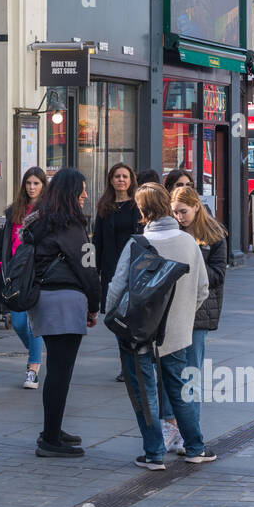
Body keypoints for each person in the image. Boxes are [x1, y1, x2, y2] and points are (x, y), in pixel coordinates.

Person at [106, 182, 213, 471]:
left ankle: (154, 453)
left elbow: (117, 289)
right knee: (180, 390)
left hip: (138, 331)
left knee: (145, 391)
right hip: (176, 333)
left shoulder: (136, 244)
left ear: (142, 210)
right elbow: (203, 288)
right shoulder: (188, 242)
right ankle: (195, 448)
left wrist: (110, 315)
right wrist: (182, 316)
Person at [21, 168, 101, 458]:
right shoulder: (73, 227)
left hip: (43, 301)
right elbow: (88, 270)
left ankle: (52, 429)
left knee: (56, 368)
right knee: (60, 373)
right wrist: (95, 305)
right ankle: (50, 439)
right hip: (67, 302)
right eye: (82, 189)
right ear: (70, 192)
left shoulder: (41, 220)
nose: (86, 195)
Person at [170, 186, 228, 451]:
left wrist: (192, 265)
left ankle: (189, 433)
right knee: (171, 373)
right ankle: (171, 428)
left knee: (191, 373)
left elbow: (218, 275)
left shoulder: (215, 234)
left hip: (198, 312)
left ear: (196, 207)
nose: (179, 217)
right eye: (175, 212)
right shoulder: (172, 232)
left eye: (183, 212)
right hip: (171, 310)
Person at [0, 166, 47, 388]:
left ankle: (33, 370)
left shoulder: (48, 212)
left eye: (36, 183)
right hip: (16, 272)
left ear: (43, 186)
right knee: (18, 323)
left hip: (37, 271)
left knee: (35, 322)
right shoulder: (13, 211)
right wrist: (4, 266)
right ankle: (36, 353)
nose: (31, 187)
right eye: (28, 183)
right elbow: (6, 242)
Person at [93, 163, 142, 380]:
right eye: (116, 176)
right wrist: (95, 269)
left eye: (124, 176)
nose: (120, 180)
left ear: (131, 180)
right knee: (116, 318)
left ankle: (135, 363)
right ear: (111, 180)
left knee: (130, 318)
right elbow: (98, 240)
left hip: (132, 269)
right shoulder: (105, 206)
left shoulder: (136, 206)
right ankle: (126, 363)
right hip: (110, 270)